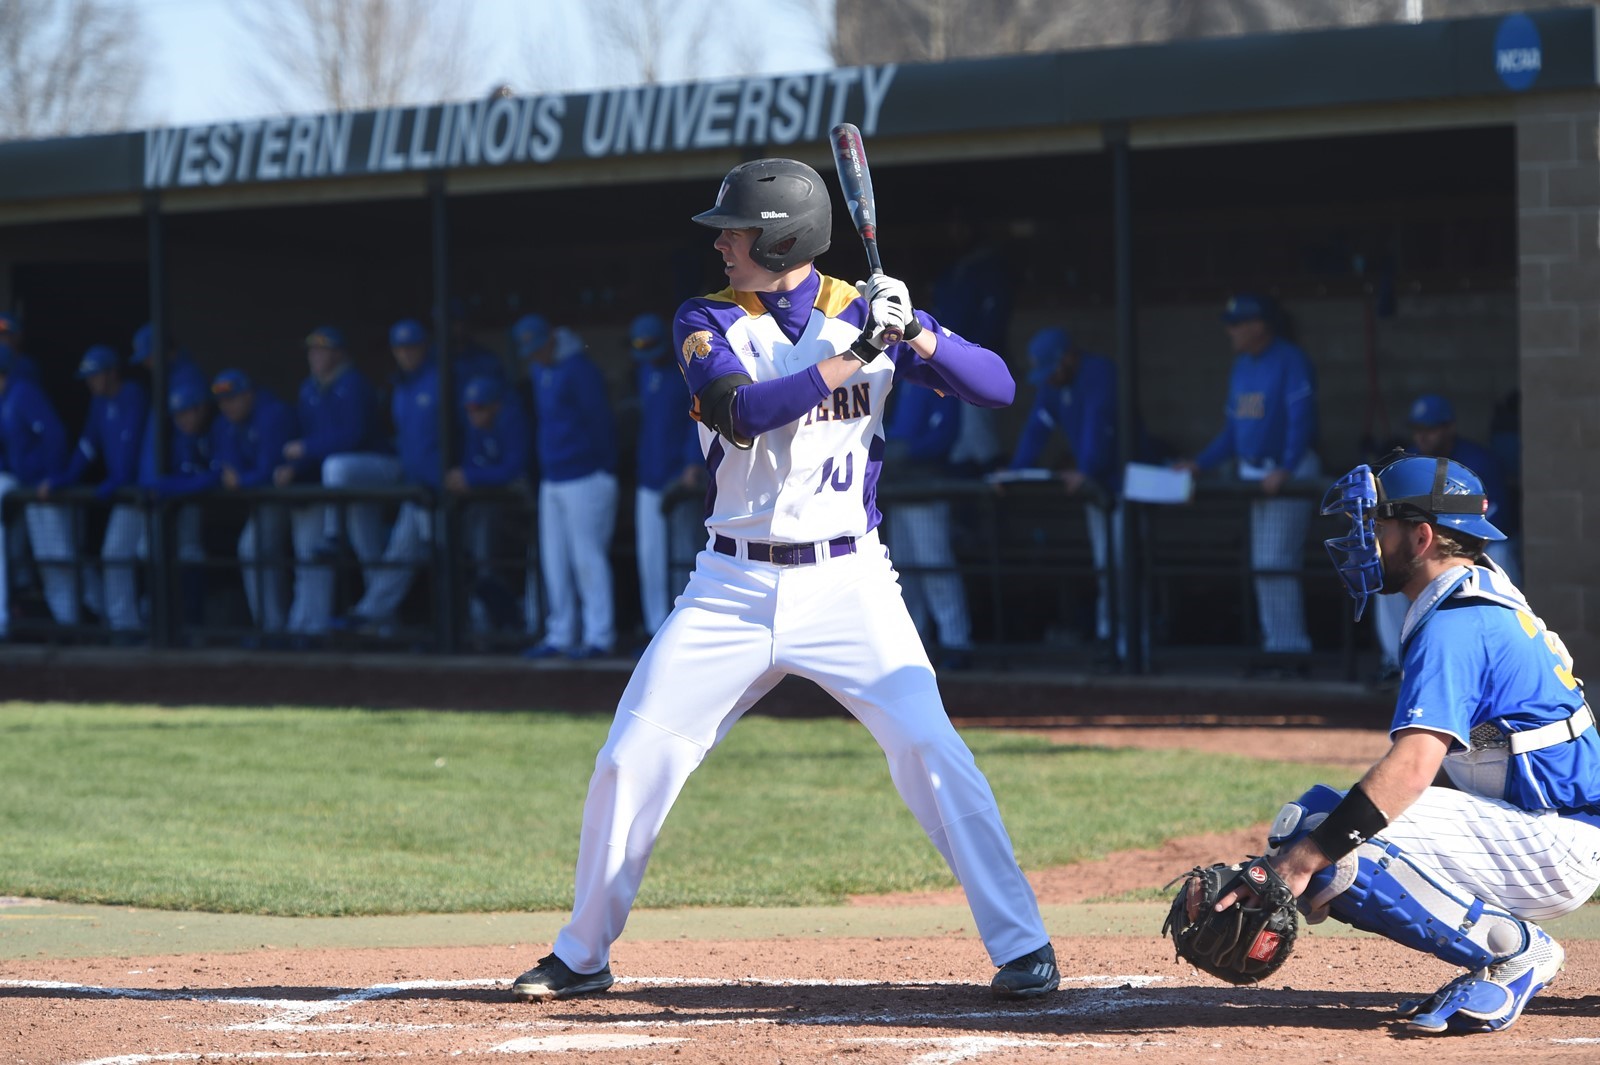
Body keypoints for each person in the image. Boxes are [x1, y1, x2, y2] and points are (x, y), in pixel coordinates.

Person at [508, 157, 1055, 1003]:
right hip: (729, 583)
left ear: (782, 237)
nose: (723, 242)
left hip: (851, 583)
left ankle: (1024, 948)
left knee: (930, 747)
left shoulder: (863, 312)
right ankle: (582, 953)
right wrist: (857, 355)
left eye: (736, 229)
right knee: (632, 754)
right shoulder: (707, 316)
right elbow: (740, 412)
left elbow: (998, 386)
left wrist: (917, 334)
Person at [1219, 454, 1599, 1035]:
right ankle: (1504, 942)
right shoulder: (1474, 584)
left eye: (1378, 526)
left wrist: (1300, 862)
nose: (1365, 540)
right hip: (1546, 822)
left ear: (1422, 538)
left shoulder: (1455, 623)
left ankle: (1516, 951)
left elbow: (1416, 764)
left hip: (1554, 839)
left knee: (1318, 838)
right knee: (1320, 828)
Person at [1174, 293, 1320, 663]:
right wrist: (1201, 463)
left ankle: (1292, 652)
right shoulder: (1241, 367)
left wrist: (1286, 467)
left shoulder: (1290, 359)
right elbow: (1233, 432)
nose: (1231, 330)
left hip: (1291, 469)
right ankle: (1277, 648)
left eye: (1237, 324)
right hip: (1257, 473)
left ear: (1260, 325)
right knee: (1263, 566)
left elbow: (1301, 420)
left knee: (1276, 562)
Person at [1372, 394, 1520, 683]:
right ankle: (1394, 660)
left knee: (1500, 555)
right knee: (1386, 565)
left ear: (1449, 427)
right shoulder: (1410, 462)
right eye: (1418, 428)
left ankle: (1507, 635)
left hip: (1471, 545)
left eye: (1432, 428)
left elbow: (1497, 523)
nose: (1424, 436)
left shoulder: (1479, 461)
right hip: (1427, 544)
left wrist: (1450, 546)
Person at [1007, 326, 1122, 662]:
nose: (1049, 379)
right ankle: (1109, 639)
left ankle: (1129, 644)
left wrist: (1086, 470)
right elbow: (1037, 428)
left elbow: (1098, 426)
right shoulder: (1053, 384)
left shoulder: (1098, 372)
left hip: (1123, 486)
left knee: (1122, 567)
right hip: (1096, 490)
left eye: (1053, 369)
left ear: (1070, 357)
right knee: (1107, 566)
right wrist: (1015, 470)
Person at [275, 325, 386, 640]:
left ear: (339, 354)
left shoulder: (354, 384)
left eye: (322, 350)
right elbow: (309, 439)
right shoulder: (307, 389)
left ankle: (383, 622)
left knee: (368, 549)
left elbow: (353, 436)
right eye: (312, 350)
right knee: (347, 551)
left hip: (370, 468)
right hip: (331, 482)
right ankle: (311, 624)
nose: (315, 356)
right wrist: (294, 467)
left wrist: (306, 450)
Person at [333, 319, 443, 635]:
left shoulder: (441, 379)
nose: (406, 354)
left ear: (424, 347)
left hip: (444, 491)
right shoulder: (400, 388)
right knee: (399, 558)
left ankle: (479, 626)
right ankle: (370, 617)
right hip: (416, 489)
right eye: (400, 348)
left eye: (412, 347)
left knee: (456, 566)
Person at [520, 325, 618, 660]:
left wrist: (603, 468)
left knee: (586, 558)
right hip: (553, 477)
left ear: (550, 339)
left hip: (585, 475)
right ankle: (560, 634)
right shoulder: (538, 369)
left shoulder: (579, 369)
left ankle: (599, 636)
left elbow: (600, 422)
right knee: (555, 560)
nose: (535, 356)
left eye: (538, 348)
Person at [39, 345, 149, 632]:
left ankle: (136, 624)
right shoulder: (99, 403)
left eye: (95, 375)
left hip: (142, 492)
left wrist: (117, 480)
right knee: (116, 554)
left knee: (147, 556)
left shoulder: (133, 395)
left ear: (113, 373)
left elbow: (132, 443)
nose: (90, 382)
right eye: (88, 377)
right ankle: (124, 626)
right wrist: (66, 477)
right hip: (124, 493)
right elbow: (88, 445)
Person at [882, 381, 974, 669]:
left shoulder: (940, 383)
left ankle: (956, 644)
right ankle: (915, 644)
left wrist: (907, 452)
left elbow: (945, 436)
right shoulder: (898, 382)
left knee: (936, 567)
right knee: (905, 570)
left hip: (928, 487)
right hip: (899, 487)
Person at [628, 312, 701, 640]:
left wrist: (692, 462)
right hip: (650, 475)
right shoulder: (644, 372)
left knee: (683, 552)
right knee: (651, 558)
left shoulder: (684, 370)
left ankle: (679, 629)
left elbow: (696, 420)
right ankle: (654, 629)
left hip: (678, 477)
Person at [212, 369, 297, 638]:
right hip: (266, 497)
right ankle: (272, 627)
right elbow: (227, 465)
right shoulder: (224, 422)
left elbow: (268, 470)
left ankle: (290, 629)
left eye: (233, 398)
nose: (228, 405)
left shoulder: (273, 413)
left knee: (307, 559)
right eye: (223, 400)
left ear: (249, 394)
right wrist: (241, 478)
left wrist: (242, 480)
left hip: (299, 495)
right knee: (255, 550)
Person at [0, 344, 78, 636]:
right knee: (50, 563)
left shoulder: (23, 393)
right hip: (32, 490)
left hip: (48, 491)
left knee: (59, 560)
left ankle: (77, 625)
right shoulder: (6, 399)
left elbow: (55, 434)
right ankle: (68, 627)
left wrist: (53, 476)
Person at [446, 373, 530, 634]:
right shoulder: (475, 429)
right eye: (470, 409)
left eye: (480, 408)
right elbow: (473, 463)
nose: (474, 414)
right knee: (477, 565)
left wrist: (472, 477)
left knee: (539, 567)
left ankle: (527, 624)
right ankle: (487, 623)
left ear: (496, 405)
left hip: (527, 509)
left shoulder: (512, 421)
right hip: (492, 516)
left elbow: (514, 470)